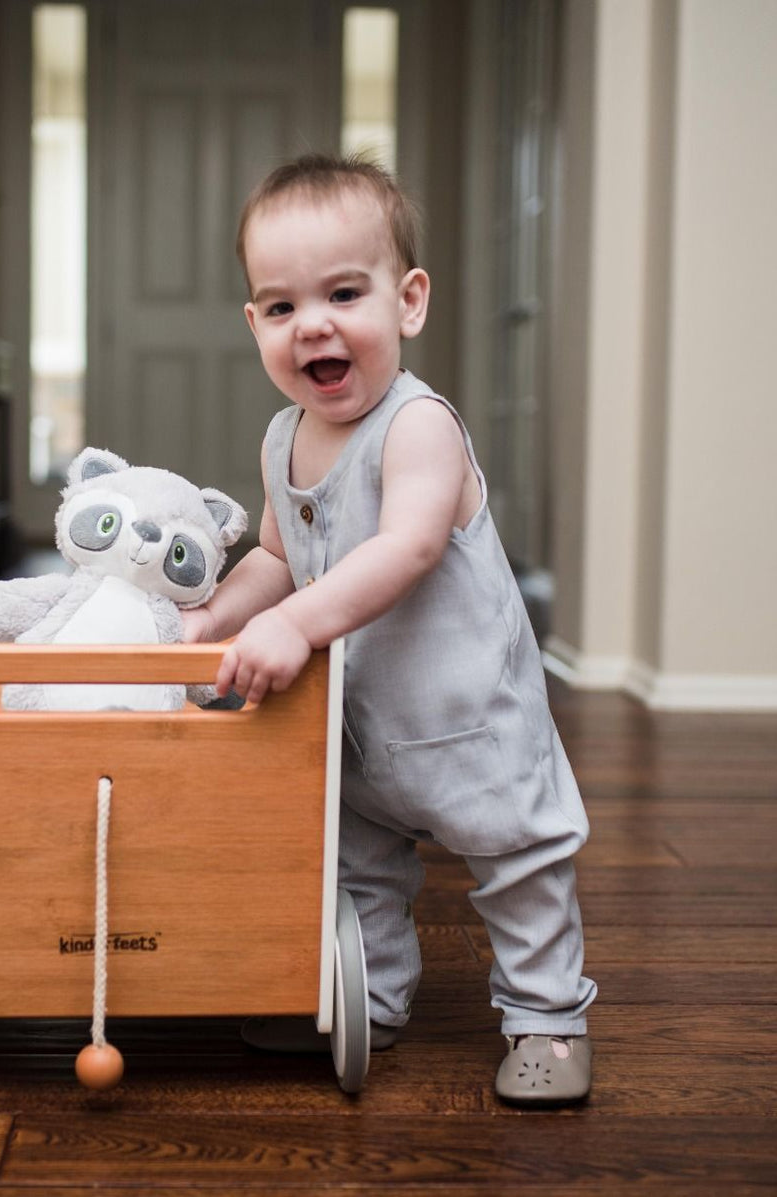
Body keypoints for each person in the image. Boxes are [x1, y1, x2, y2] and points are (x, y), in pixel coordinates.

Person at [182, 153, 596, 1106]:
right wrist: (214, 615)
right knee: (359, 867)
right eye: (280, 307)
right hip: (360, 722)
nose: (312, 324)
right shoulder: (282, 437)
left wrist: (291, 625)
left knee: (517, 865)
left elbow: (406, 548)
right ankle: (368, 997)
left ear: (406, 302)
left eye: (342, 293)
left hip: (467, 717)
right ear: (254, 326)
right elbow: (278, 557)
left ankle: (547, 1018)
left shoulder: (420, 428)